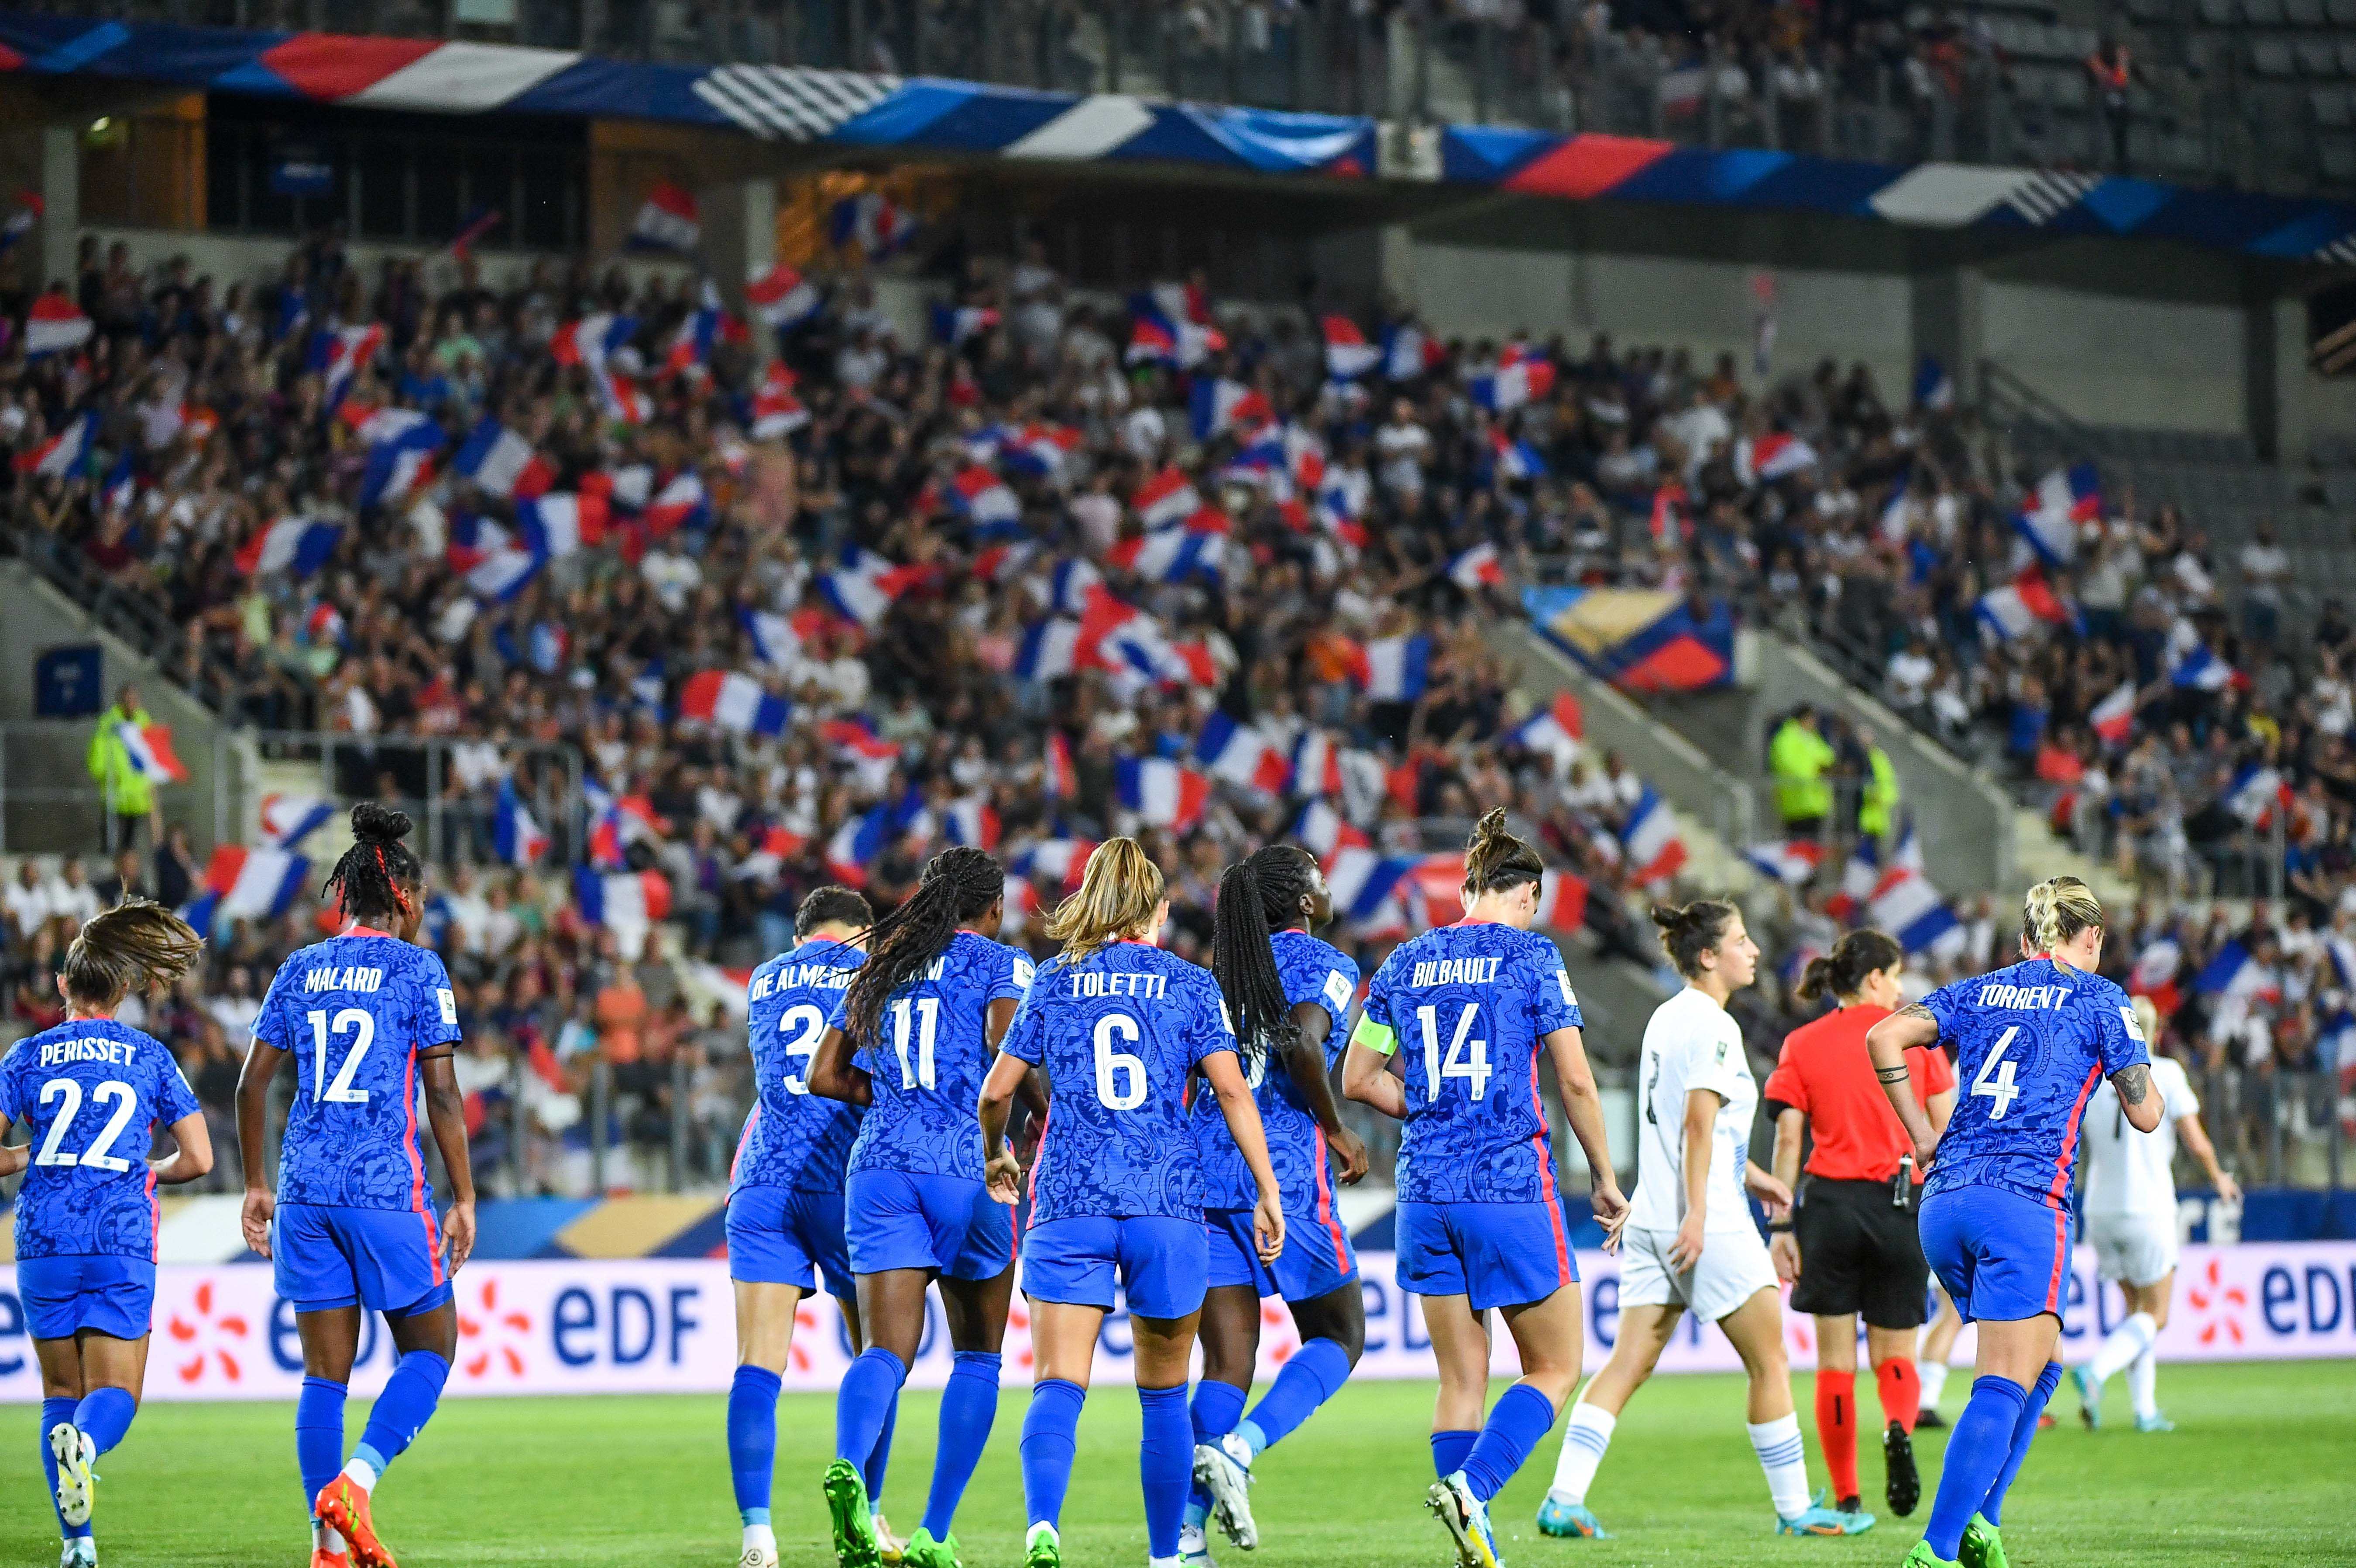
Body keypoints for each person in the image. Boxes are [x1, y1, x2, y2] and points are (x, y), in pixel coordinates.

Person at [976, 838, 1284, 1568]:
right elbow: (1234, 1091)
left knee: (1056, 1382)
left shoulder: (1052, 979)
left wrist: (997, 1151)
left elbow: (996, 1090)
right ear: (1148, 908)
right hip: (1166, 1203)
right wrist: (1267, 1189)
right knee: (1162, 1394)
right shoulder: (1186, 982)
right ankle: (1165, 1555)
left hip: (1069, 1199)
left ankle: (1043, 1528)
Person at [1342, 810, 1627, 1568]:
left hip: (1424, 1189)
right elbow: (1572, 1077)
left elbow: (1356, 1077)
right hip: (1505, 1183)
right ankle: (1476, 1487)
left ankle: (1474, 1540)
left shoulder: (1403, 961)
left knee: (1460, 1379)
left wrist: (1427, 1105)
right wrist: (1603, 1176)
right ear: (1527, 890)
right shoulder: (1533, 958)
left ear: (1468, 887)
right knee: (1555, 1366)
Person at [1538, 899, 1865, 1541]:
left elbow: (1686, 1126)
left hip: (1650, 1216)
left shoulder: (1666, 1018)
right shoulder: (1715, 1027)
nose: (1753, 951)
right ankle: (1796, 1508)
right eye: (1741, 941)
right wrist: (1699, 1213)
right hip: (1703, 1223)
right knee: (1769, 1361)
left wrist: (1752, 1174)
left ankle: (1562, 1498)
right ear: (1709, 956)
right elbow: (1694, 1122)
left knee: (1628, 1362)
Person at [1868, 875, 2160, 1568]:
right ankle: (1937, 1549)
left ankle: (1983, 1522)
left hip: (1944, 1202)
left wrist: (1918, 1133)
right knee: (2002, 1380)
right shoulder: (2102, 999)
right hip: (2022, 1201)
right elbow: (2144, 1114)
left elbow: (1884, 1037)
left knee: (2044, 1362)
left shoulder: (1980, 989)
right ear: (2090, 936)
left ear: (2029, 937)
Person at [236, 804, 477, 1568]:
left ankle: (324, 1547)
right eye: (425, 895)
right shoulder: (419, 968)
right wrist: (465, 1196)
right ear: (403, 894)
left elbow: (252, 1085)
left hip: (304, 1188)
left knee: (323, 1374)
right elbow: (441, 1094)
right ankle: (358, 1482)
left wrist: (255, 1183)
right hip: (382, 1186)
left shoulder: (300, 967)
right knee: (433, 1348)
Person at [808, 848, 1034, 1568]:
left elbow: (823, 1073)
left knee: (884, 1349)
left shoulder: (883, 966)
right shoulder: (1003, 963)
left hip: (877, 1166)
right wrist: (1039, 1123)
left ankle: (848, 1463)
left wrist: (897, 1101)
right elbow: (1006, 1047)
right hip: (968, 1165)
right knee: (977, 1354)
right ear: (992, 907)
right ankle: (935, 1530)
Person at [1, 900, 211, 1568]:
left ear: (63, 986)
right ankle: (86, 1451)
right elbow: (201, 1158)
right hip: (119, 1233)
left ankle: (78, 1544)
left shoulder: (26, 1055)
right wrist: (148, 1171)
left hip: (43, 1239)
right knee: (114, 1394)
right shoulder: (149, 1055)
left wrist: (27, 1157)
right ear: (120, 991)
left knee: (59, 1395)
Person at [1185, 846, 1373, 1565]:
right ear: (1299, 897)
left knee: (1227, 1361)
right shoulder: (1320, 960)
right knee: (1339, 1332)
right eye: (1319, 875)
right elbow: (1300, 1040)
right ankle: (1241, 1446)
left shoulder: (1219, 973)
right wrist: (1334, 1126)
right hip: (1284, 1177)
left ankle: (1186, 1532)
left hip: (1205, 1173)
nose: (1328, 886)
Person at [1764, 930, 1956, 1521]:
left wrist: (1780, 1223)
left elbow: (1789, 1135)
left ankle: (1847, 1493)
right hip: (1901, 1204)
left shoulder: (1801, 1043)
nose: (1900, 988)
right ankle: (1899, 1427)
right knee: (1895, 1350)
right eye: (1895, 975)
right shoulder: (1913, 1044)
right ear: (1874, 978)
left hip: (1829, 1208)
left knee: (1834, 1362)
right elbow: (1945, 1128)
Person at [720, 884, 883, 1568]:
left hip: (760, 1179)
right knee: (878, 1353)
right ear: (864, 936)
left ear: (799, 936)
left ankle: (758, 1537)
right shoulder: (873, 973)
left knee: (757, 1366)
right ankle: (869, 1520)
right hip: (842, 1178)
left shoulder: (764, 976)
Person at [2070, 995, 2240, 1434]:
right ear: (2153, 1030)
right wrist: (2218, 1176)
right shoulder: (2164, 1071)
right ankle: (2096, 1370)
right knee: (2157, 1312)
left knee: (2137, 1312)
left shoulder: (2093, 1077)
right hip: (2147, 1205)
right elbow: (2195, 1139)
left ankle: (2145, 1410)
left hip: (2100, 1208)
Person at [86, 684, 161, 854]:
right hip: (116, 788)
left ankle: (126, 872)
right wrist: (103, 774)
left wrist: (151, 780)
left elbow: (151, 754)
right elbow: (98, 751)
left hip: (137, 792)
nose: (131, 704)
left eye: (134, 701)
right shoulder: (109, 723)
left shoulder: (144, 723)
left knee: (130, 840)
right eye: (128, 701)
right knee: (109, 836)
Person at [1770, 708, 1837, 838]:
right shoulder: (1787, 737)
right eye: (1812, 719)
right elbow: (1786, 764)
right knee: (1799, 844)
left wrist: (1829, 768)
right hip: (1797, 801)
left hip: (1816, 801)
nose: (1814, 723)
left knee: (1812, 845)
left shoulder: (1814, 737)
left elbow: (1828, 757)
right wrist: (1815, 772)